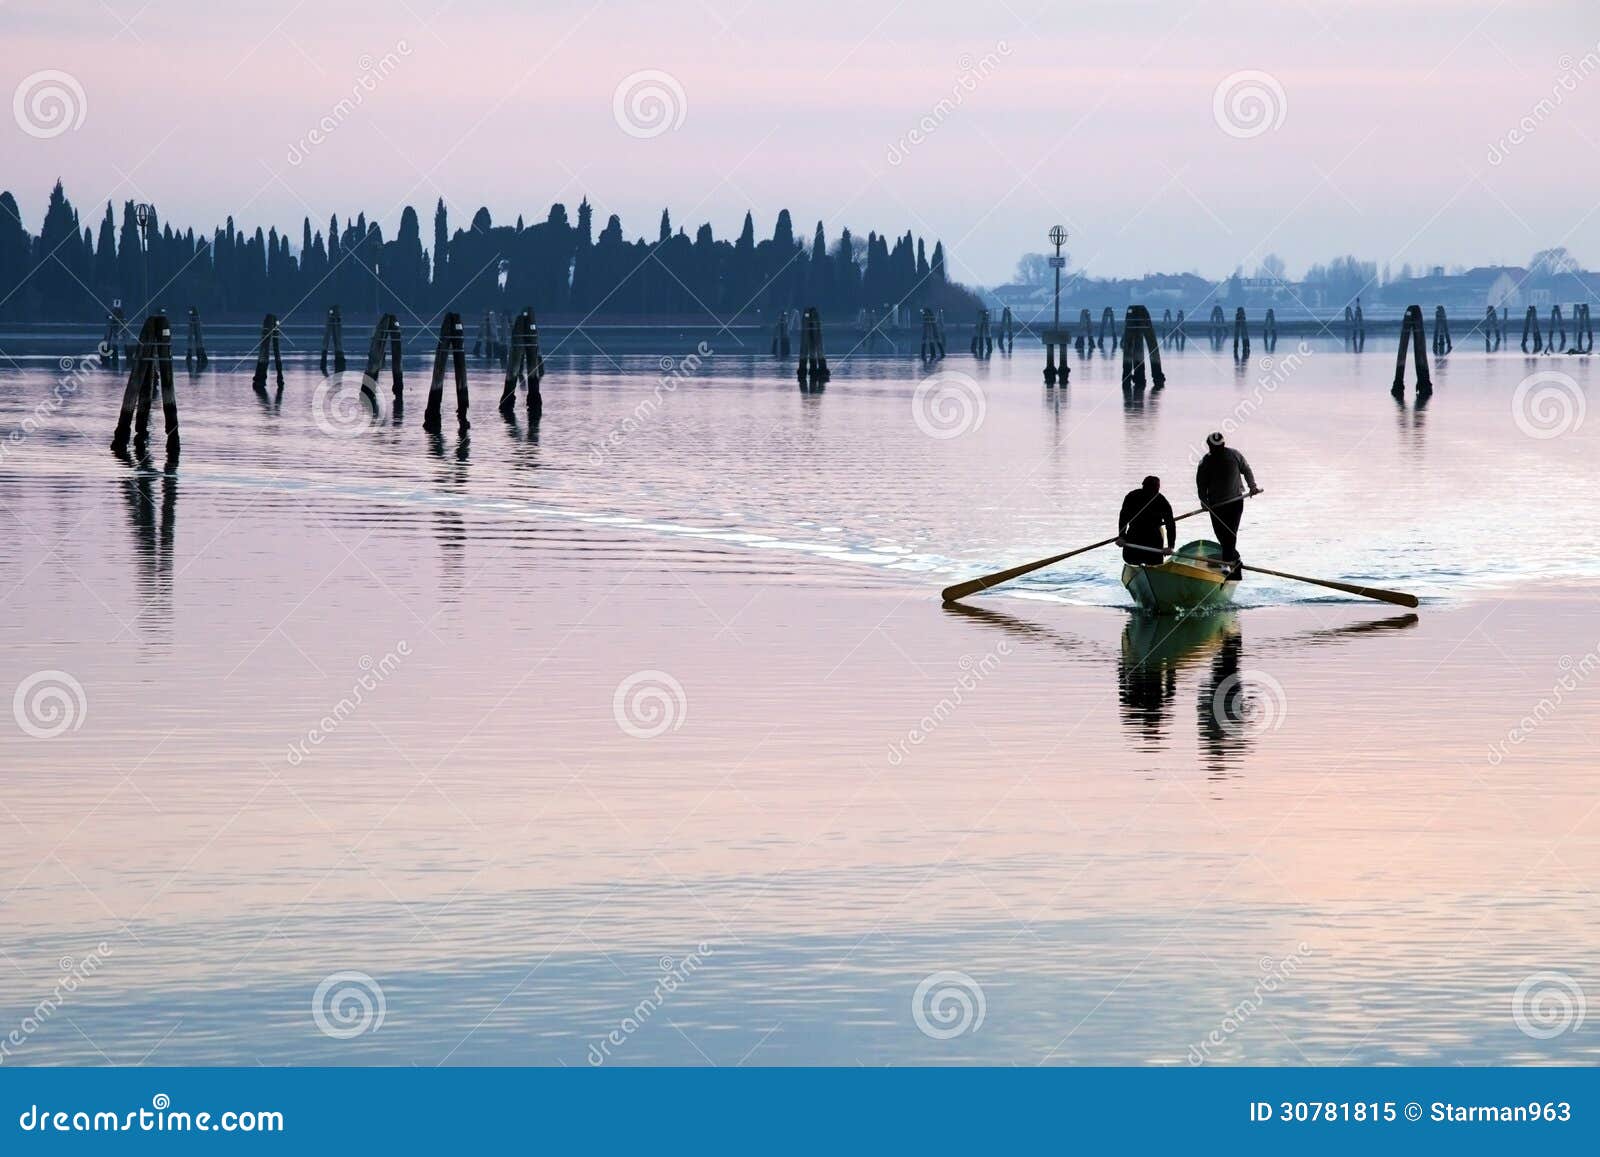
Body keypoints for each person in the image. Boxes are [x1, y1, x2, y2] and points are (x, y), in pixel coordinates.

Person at [1195, 432, 1260, 561]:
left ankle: (1227, 562)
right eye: (1213, 447)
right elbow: (1201, 484)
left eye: (1218, 447)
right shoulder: (1205, 462)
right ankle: (1233, 557)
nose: (1216, 450)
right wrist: (1203, 501)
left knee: (1230, 533)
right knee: (1220, 534)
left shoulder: (1234, 455)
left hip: (1235, 501)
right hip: (1215, 505)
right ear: (1209, 446)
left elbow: (1246, 469)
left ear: (1224, 444)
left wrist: (1252, 486)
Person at [1118, 475, 1177, 565]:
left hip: (1149, 540)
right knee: (1136, 560)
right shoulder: (1132, 497)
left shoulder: (1161, 500)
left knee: (1149, 561)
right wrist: (1121, 536)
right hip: (1137, 539)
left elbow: (1170, 524)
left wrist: (1170, 546)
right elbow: (1123, 518)